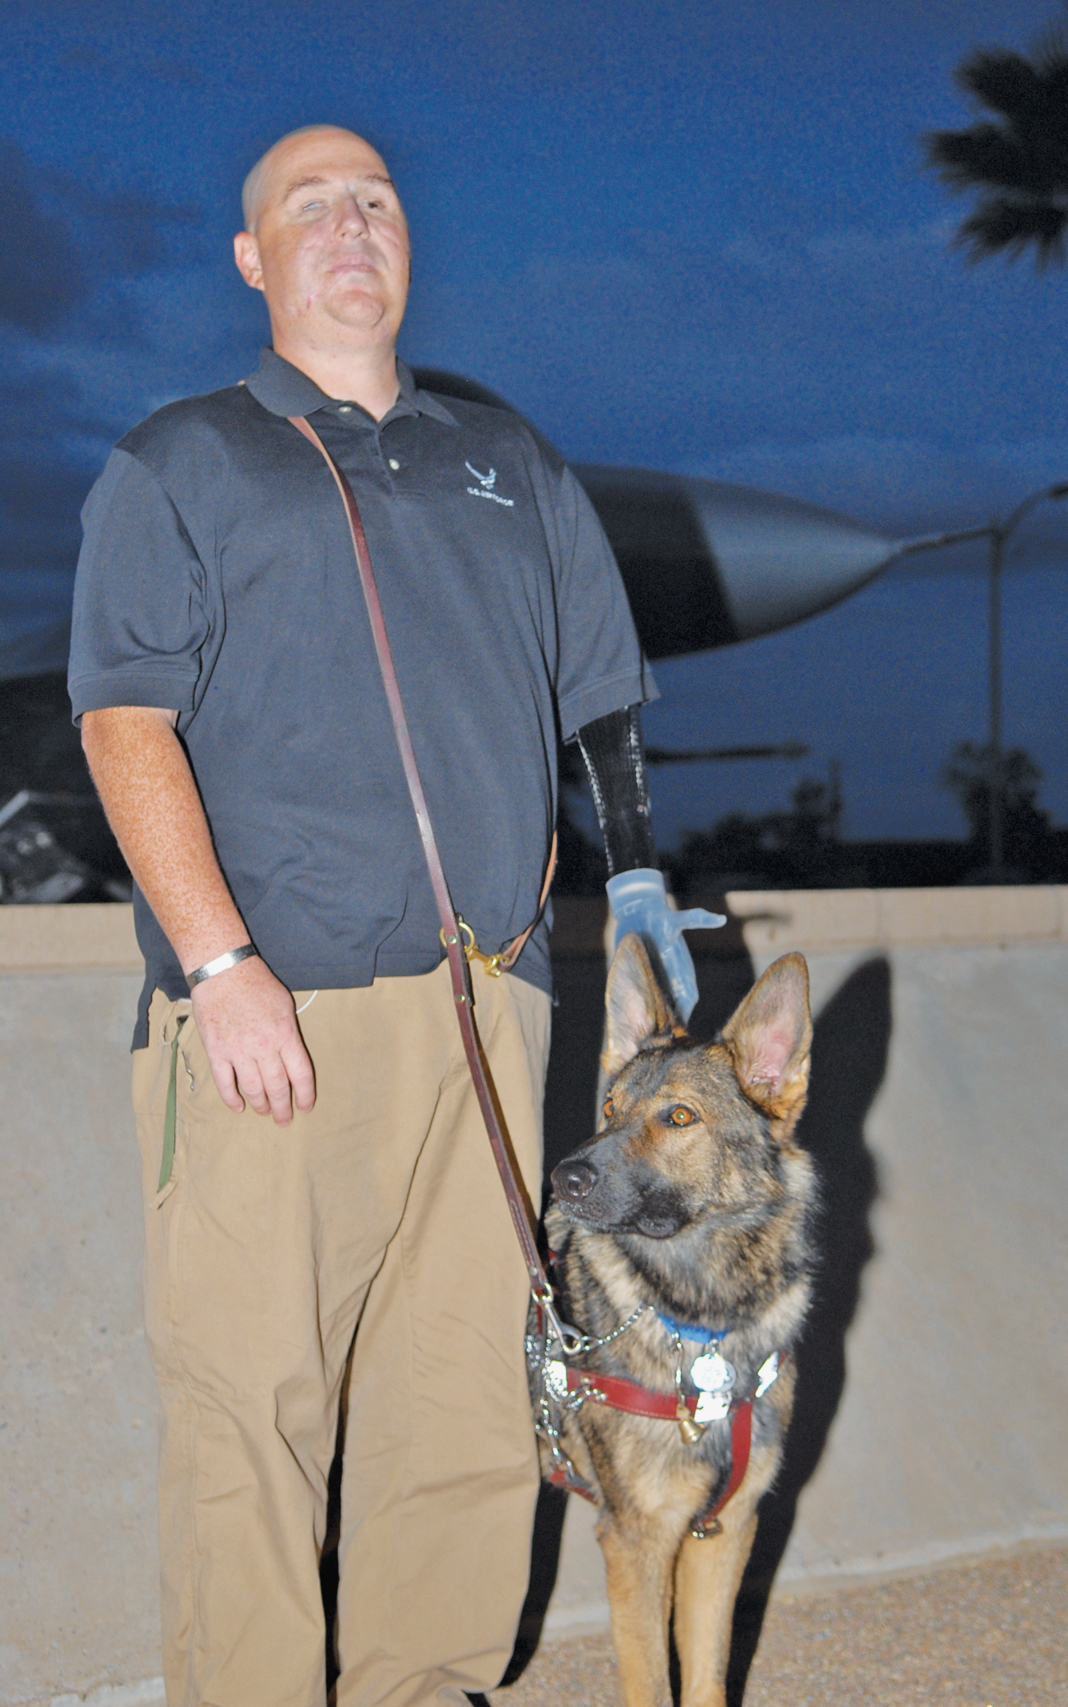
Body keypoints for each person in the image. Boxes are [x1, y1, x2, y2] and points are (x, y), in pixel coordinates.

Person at [69, 124, 711, 1707]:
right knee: (251, 1415)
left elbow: (598, 687)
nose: (350, 223)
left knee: (463, 1416)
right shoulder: (181, 460)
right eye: (310, 204)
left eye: (377, 200)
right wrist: (219, 966)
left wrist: (636, 868)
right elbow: (123, 722)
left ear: (406, 243)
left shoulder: (510, 464)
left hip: (489, 1015)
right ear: (253, 258)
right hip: (273, 1021)